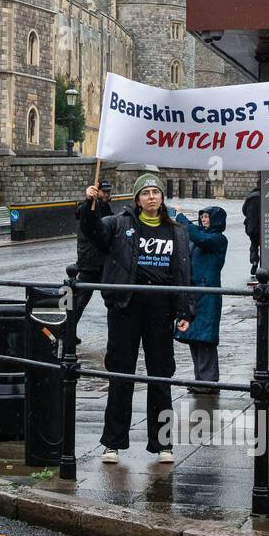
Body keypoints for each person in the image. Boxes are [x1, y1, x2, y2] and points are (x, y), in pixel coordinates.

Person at [81, 172, 194, 464]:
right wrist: (88, 204)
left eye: (155, 192)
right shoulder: (119, 224)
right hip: (125, 307)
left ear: (162, 198)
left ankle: (163, 444)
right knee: (121, 373)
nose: (151, 197)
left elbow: (183, 274)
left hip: (160, 309)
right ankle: (112, 443)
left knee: (160, 375)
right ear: (136, 199)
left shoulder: (176, 231)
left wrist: (185, 310)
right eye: (145, 193)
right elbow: (93, 232)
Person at [172, 205, 227, 395]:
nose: (204, 220)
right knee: (194, 337)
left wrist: (181, 218)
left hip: (207, 295)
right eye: (202, 216)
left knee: (205, 339)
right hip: (194, 293)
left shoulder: (218, 239)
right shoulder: (202, 237)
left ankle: (209, 382)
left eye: (207, 217)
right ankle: (200, 380)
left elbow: (199, 238)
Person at [72, 179, 114, 332]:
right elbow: (84, 212)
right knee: (80, 301)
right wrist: (89, 199)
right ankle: (67, 332)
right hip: (91, 262)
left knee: (112, 299)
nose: (107, 195)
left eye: (109, 192)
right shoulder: (90, 206)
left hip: (102, 261)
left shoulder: (106, 207)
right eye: (104, 192)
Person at [242, 183, 261, 278]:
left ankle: (254, 261)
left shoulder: (250, 197)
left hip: (252, 227)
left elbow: (244, 210)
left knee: (254, 245)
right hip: (263, 226)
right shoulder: (265, 196)